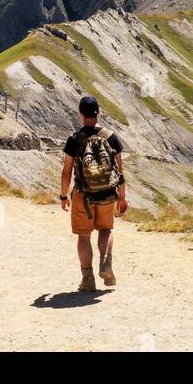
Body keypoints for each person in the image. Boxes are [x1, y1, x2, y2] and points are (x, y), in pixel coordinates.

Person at [59, 95, 127, 292]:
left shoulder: (74, 139)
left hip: (82, 196)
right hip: (107, 193)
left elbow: (66, 172)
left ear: (81, 114)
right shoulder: (111, 137)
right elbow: (120, 171)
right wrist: (122, 197)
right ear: (98, 112)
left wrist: (64, 196)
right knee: (105, 229)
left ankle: (87, 279)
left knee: (83, 236)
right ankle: (105, 263)